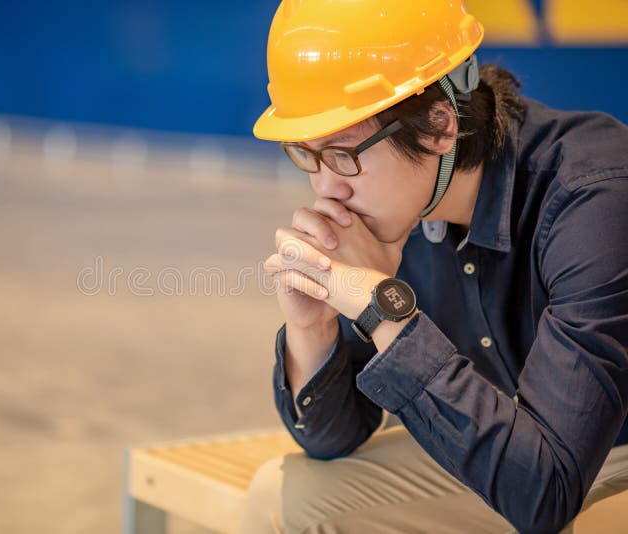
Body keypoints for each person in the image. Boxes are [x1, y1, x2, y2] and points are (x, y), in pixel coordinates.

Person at [240, 1, 628, 532]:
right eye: (308, 154)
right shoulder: (397, 204)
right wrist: (314, 326)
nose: (327, 187)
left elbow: (545, 493)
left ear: (441, 127)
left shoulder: (594, 202)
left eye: (344, 155)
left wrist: (384, 310)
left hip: (601, 454)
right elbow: (334, 437)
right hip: (517, 448)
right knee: (285, 496)